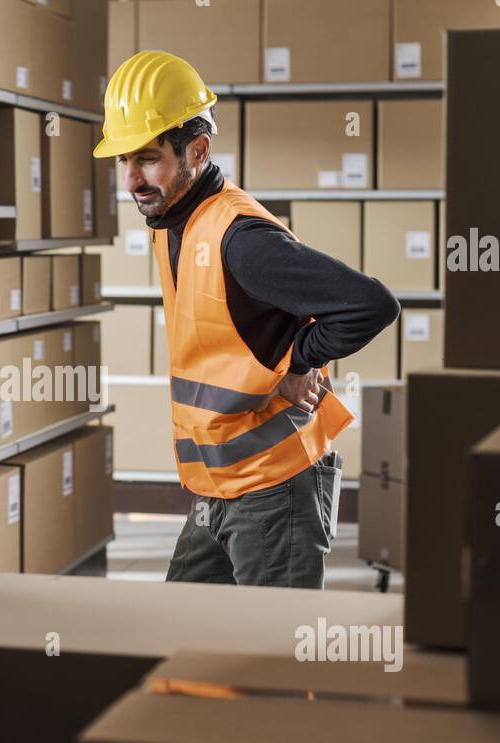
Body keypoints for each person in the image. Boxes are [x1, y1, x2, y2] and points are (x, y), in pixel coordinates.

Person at [94, 50, 400, 588]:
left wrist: (296, 362)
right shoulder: (173, 220)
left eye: (146, 159)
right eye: (123, 161)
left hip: (273, 491)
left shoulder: (241, 239)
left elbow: (370, 304)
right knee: (184, 647)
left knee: (271, 656)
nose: (131, 180)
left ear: (198, 149)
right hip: (216, 488)